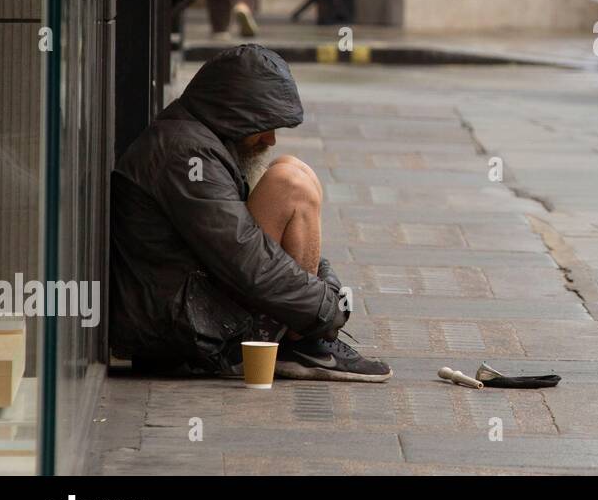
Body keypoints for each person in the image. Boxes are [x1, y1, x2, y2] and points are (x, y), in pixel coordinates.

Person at [110, 45, 392, 381]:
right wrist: (326, 309)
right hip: (180, 333)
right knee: (289, 183)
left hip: (192, 311)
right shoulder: (186, 156)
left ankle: (294, 339)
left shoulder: (195, 141)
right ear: (234, 114)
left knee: (290, 169)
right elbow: (247, 258)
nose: (270, 139)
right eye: (264, 125)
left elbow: (249, 245)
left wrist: (322, 287)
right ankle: (292, 340)